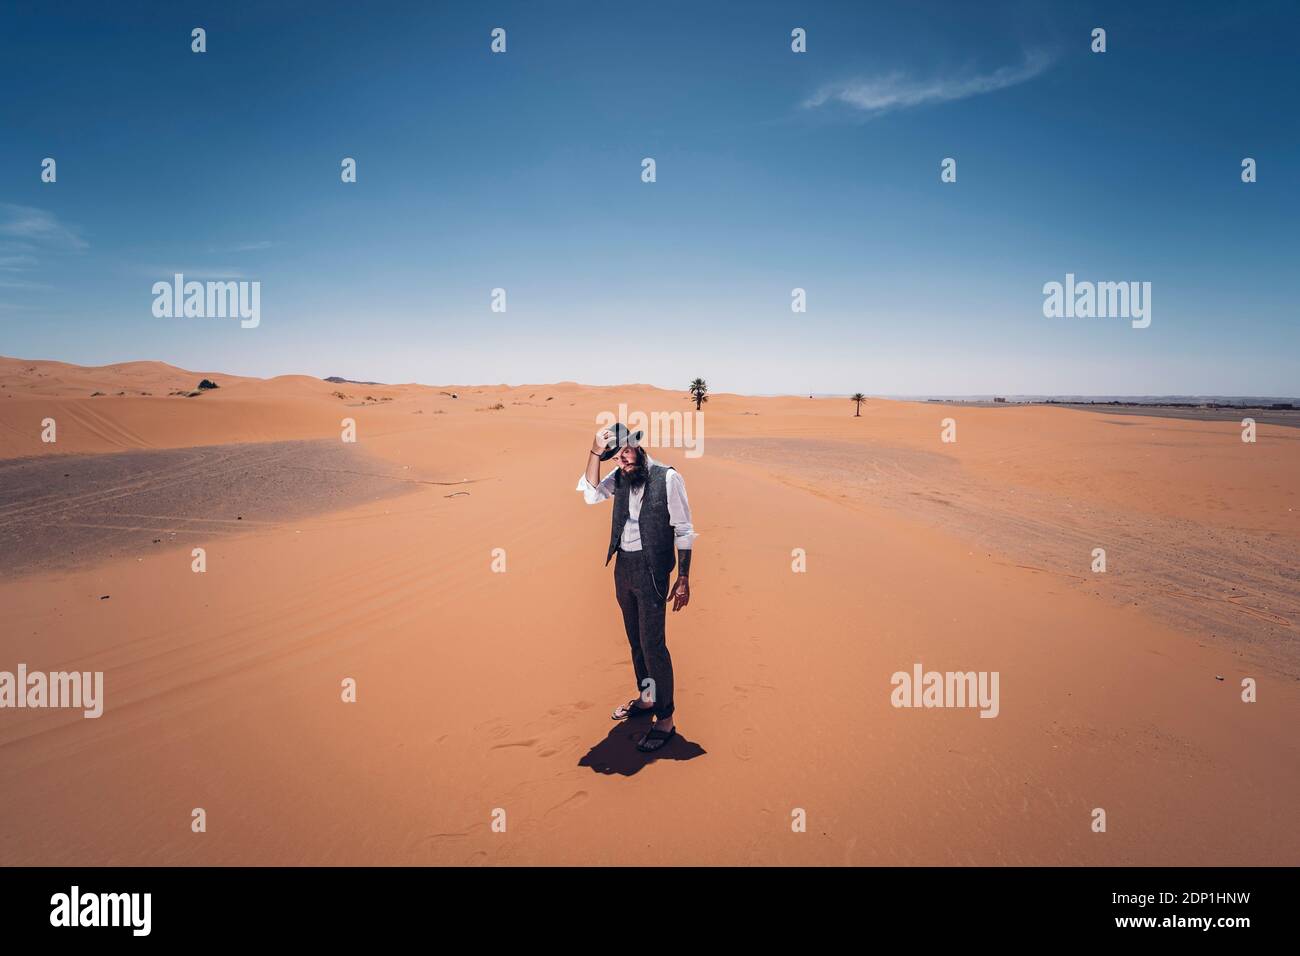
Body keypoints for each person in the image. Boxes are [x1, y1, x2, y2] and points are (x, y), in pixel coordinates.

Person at [577, 424, 696, 752]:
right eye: (615, 458)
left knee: (653, 645)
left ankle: (666, 720)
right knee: (636, 643)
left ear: (637, 446)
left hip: (653, 572)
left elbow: (684, 529)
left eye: (625, 453)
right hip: (623, 569)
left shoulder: (668, 478)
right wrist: (594, 453)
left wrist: (684, 578)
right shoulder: (619, 476)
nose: (622, 462)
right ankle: (646, 699)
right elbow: (589, 493)